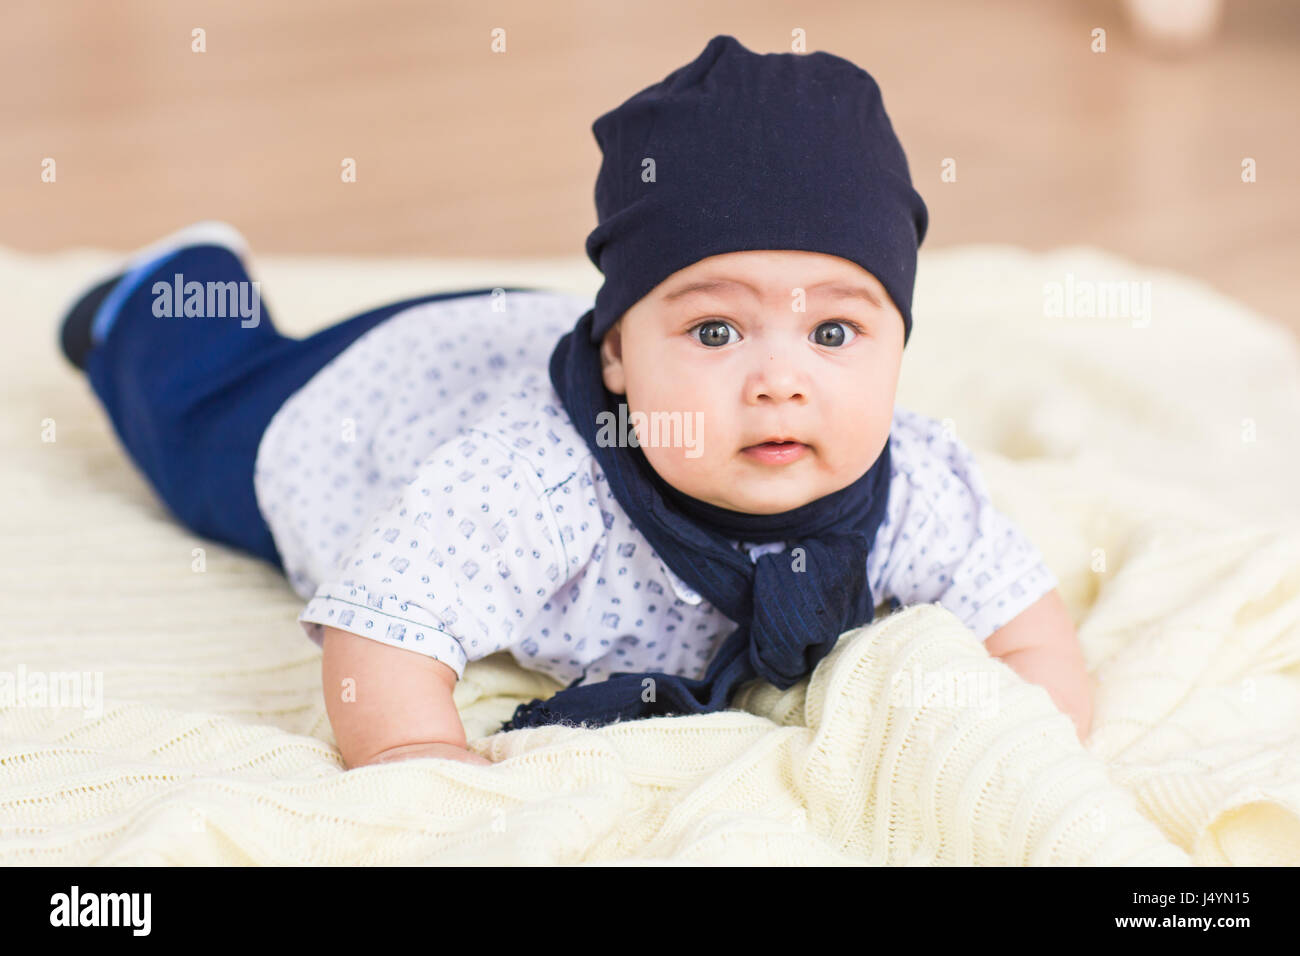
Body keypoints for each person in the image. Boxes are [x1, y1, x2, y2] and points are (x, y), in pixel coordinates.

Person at [58, 36, 1090, 770]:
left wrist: (1026, 742)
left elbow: (1032, 635)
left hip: (541, 328)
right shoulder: (533, 482)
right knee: (199, 427)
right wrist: (420, 757)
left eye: (833, 333)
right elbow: (385, 639)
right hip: (373, 399)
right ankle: (169, 287)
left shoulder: (912, 487)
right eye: (716, 332)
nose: (781, 380)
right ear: (618, 358)